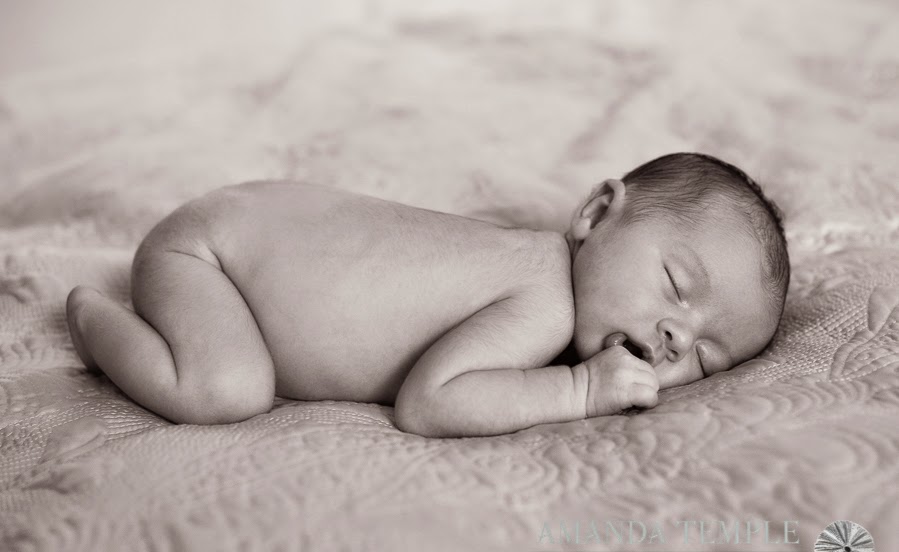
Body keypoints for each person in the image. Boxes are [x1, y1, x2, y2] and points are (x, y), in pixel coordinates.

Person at [65, 152, 790, 438]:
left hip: (252, 222)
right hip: (208, 256)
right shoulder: (542, 299)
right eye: (674, 285)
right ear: (596, 215)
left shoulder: (531, 271)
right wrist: (577, 392)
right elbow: (430, 402)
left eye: (705, 356)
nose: (673, 338)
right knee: (226, 388)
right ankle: (93, 320)